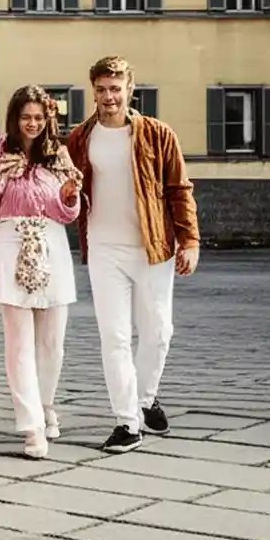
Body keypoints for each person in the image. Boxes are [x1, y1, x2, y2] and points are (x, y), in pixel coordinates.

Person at [66, 55, 200, 454]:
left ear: (130, 89)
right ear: (93, 92)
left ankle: (144, 398)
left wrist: (189, 241)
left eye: (115, 88)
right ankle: (127, 422)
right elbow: (66, 188)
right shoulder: (79, 139)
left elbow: (180, 189)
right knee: (115, 336)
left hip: (153, 245)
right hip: (104, 248)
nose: (109, 96)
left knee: (159, 331)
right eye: (102, 90)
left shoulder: (159, 134)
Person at [0, 85, 82, 459]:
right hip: (10, 241)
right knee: (18, 344)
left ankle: (47, 403)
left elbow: (69, 213)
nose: (32, 124)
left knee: (52, 343)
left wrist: (69, 196)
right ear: (14, 119)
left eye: (39, 117)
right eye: (26, 117)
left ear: (47, 118)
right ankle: (32, 426)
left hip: (51, 245)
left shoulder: (59, 154)